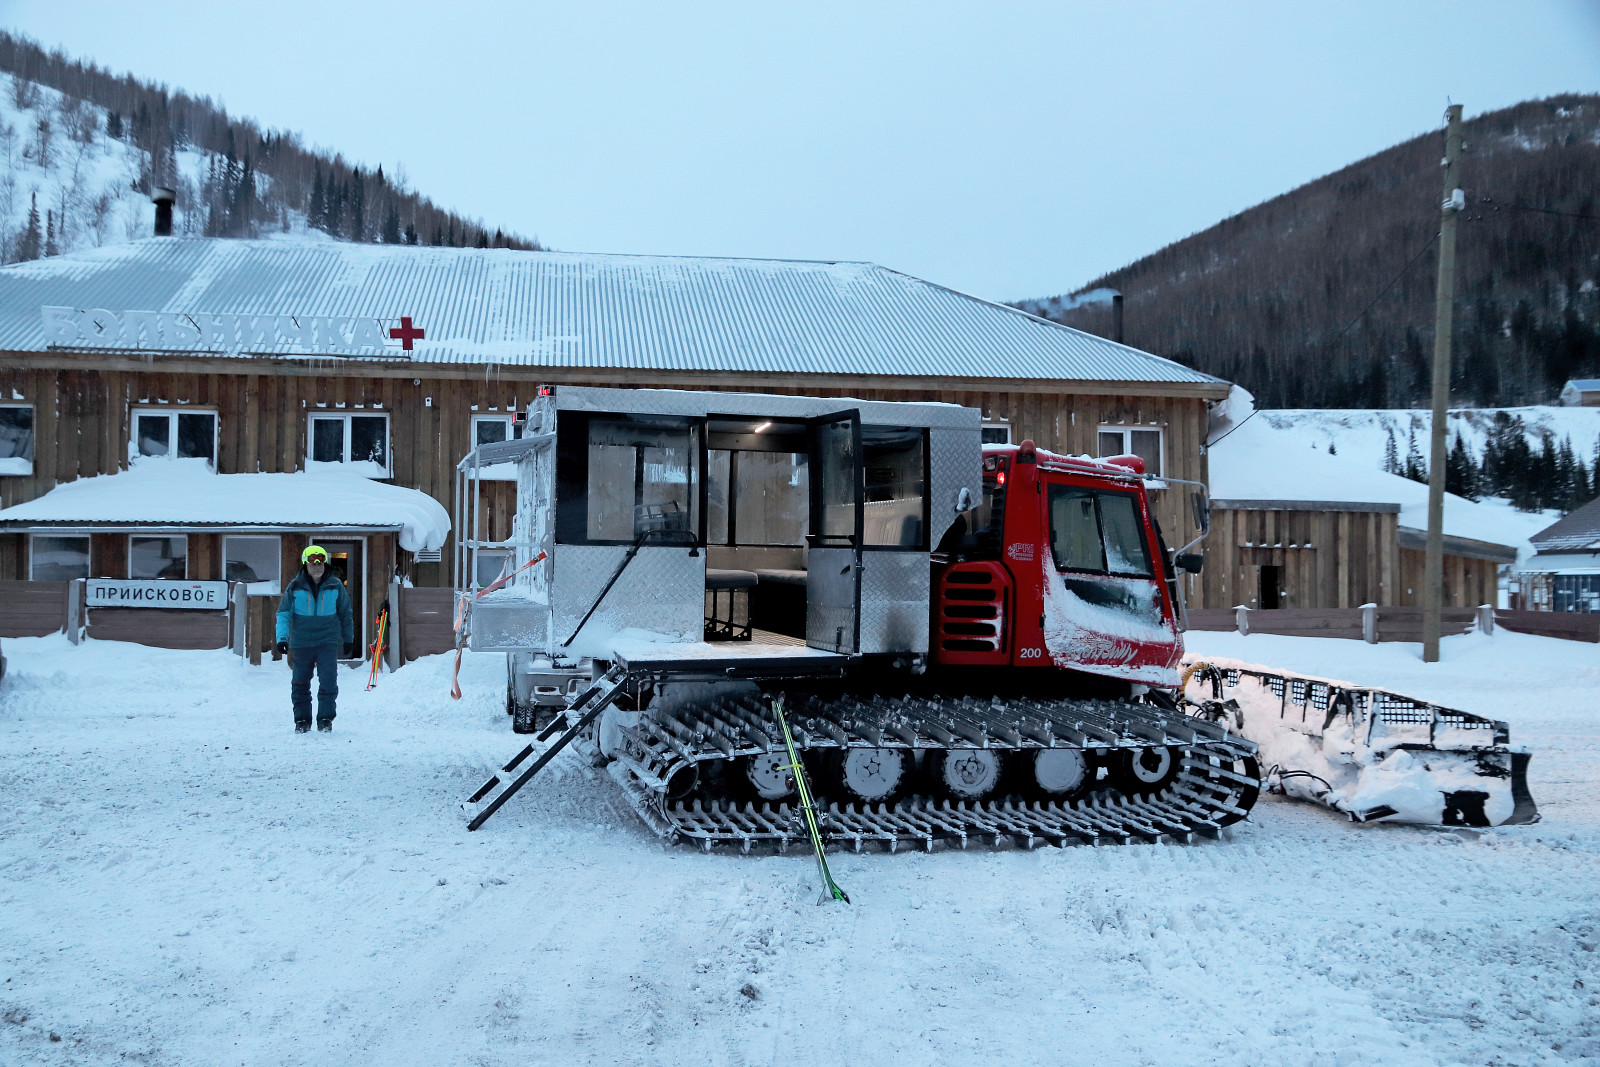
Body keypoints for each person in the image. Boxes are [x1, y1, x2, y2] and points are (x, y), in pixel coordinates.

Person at [275, 544, 355, 733]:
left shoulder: (335, 585)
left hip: (326, 642)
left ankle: (325, 719)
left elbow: (346, 613)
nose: (317, 565)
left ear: (325, 563)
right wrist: (282, 638)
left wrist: (348, 638)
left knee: (328, 682)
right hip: (301, 643)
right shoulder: (295, 587)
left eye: (320, 561)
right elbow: (283, 614)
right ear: (305, 564)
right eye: (312, 561)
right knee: (300, 683)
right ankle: (302, 721)